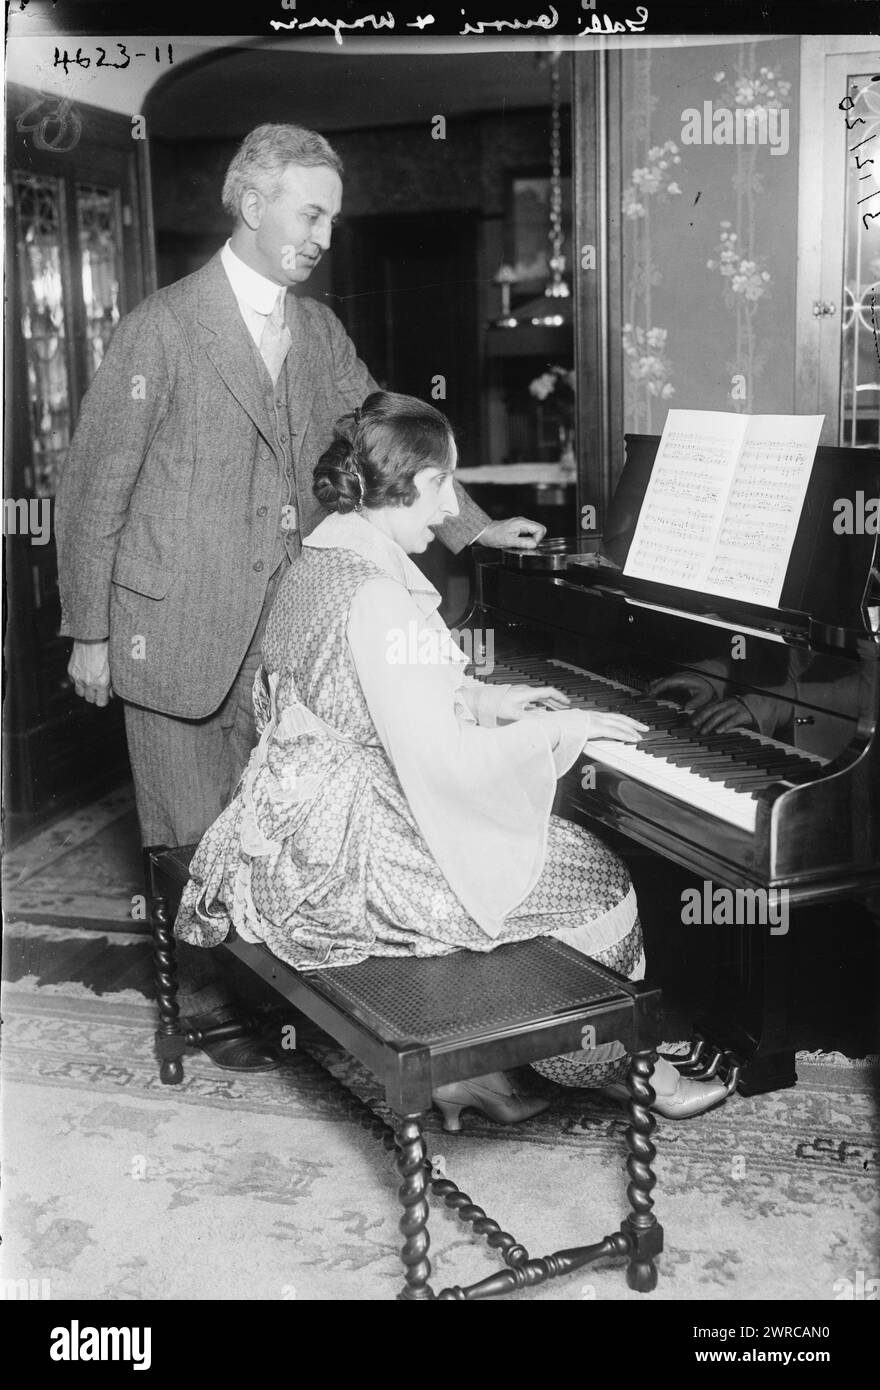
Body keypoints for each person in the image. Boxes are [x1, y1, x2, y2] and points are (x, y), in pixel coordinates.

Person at [54, 124, 546, 1068]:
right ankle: (229, 1014)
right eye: (310, 212)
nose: (324, 234)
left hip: (286, 635)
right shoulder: (160, 327)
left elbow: (388, 434)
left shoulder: (318, 330)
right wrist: (90, 632)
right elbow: (92, 489)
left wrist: (468, 526)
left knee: (285, 838)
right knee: (198, 847)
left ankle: (296, 1015)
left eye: (332, 217)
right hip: (173, 634)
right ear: (251, 204)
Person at [175, 391, 728, 1124]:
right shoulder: (376, 595)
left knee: (546, 863)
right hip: (353, 857)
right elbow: (445, 764)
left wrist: (486, 699)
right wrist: (565, 730)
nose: (448, 510)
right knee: (600, 884)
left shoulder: (319, 559)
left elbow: (377, 690)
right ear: (404, 482)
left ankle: (470, 1079)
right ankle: (620, 1071)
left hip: (289, 828)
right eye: (441, 485)